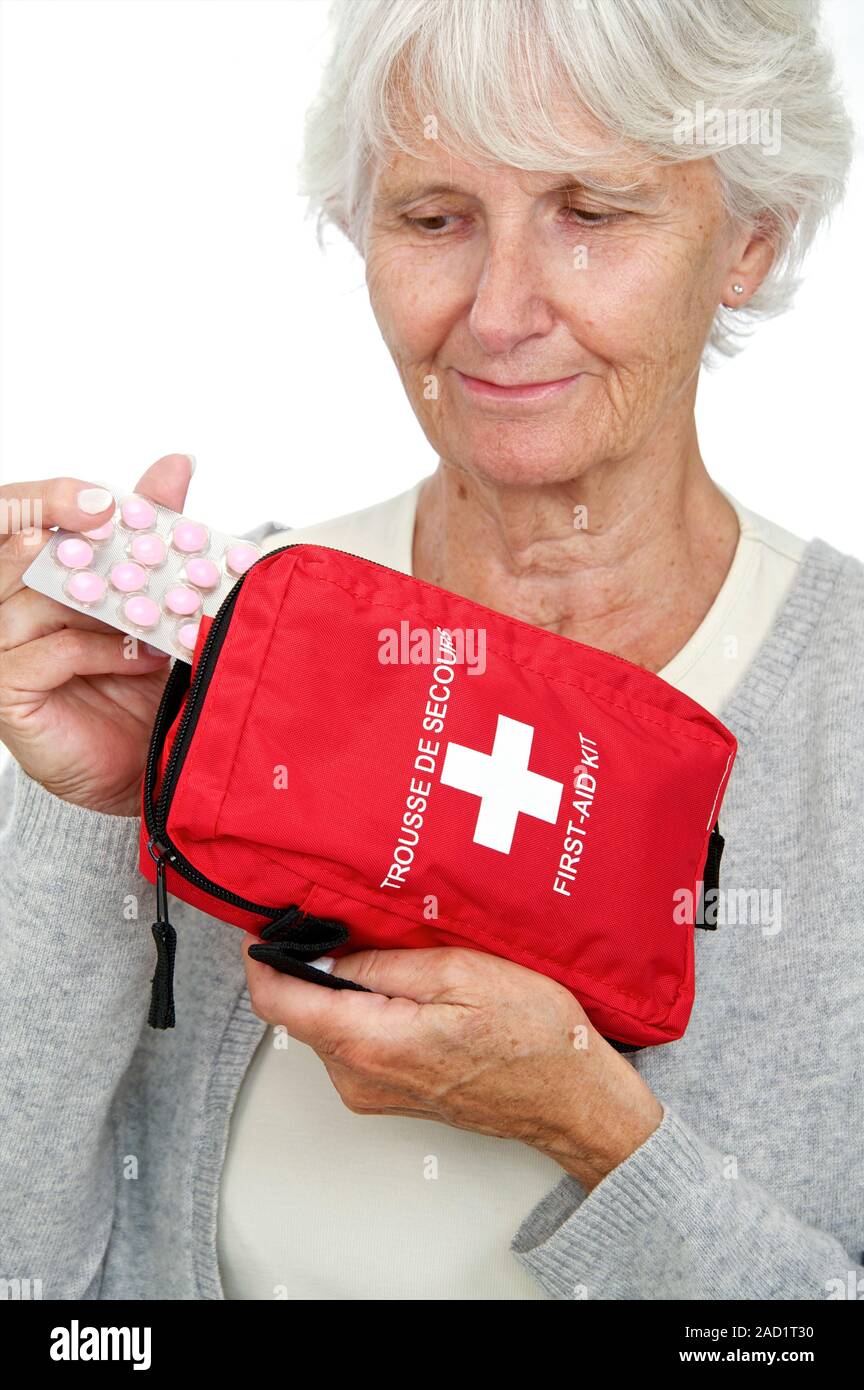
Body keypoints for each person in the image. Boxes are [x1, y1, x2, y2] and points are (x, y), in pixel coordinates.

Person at [1, 0, 861, 1301]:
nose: (502, 310)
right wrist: (86, 823)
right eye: (435, 217)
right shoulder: (204, 651)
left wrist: (591, 1127)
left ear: (751, 237)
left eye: (593, 211)